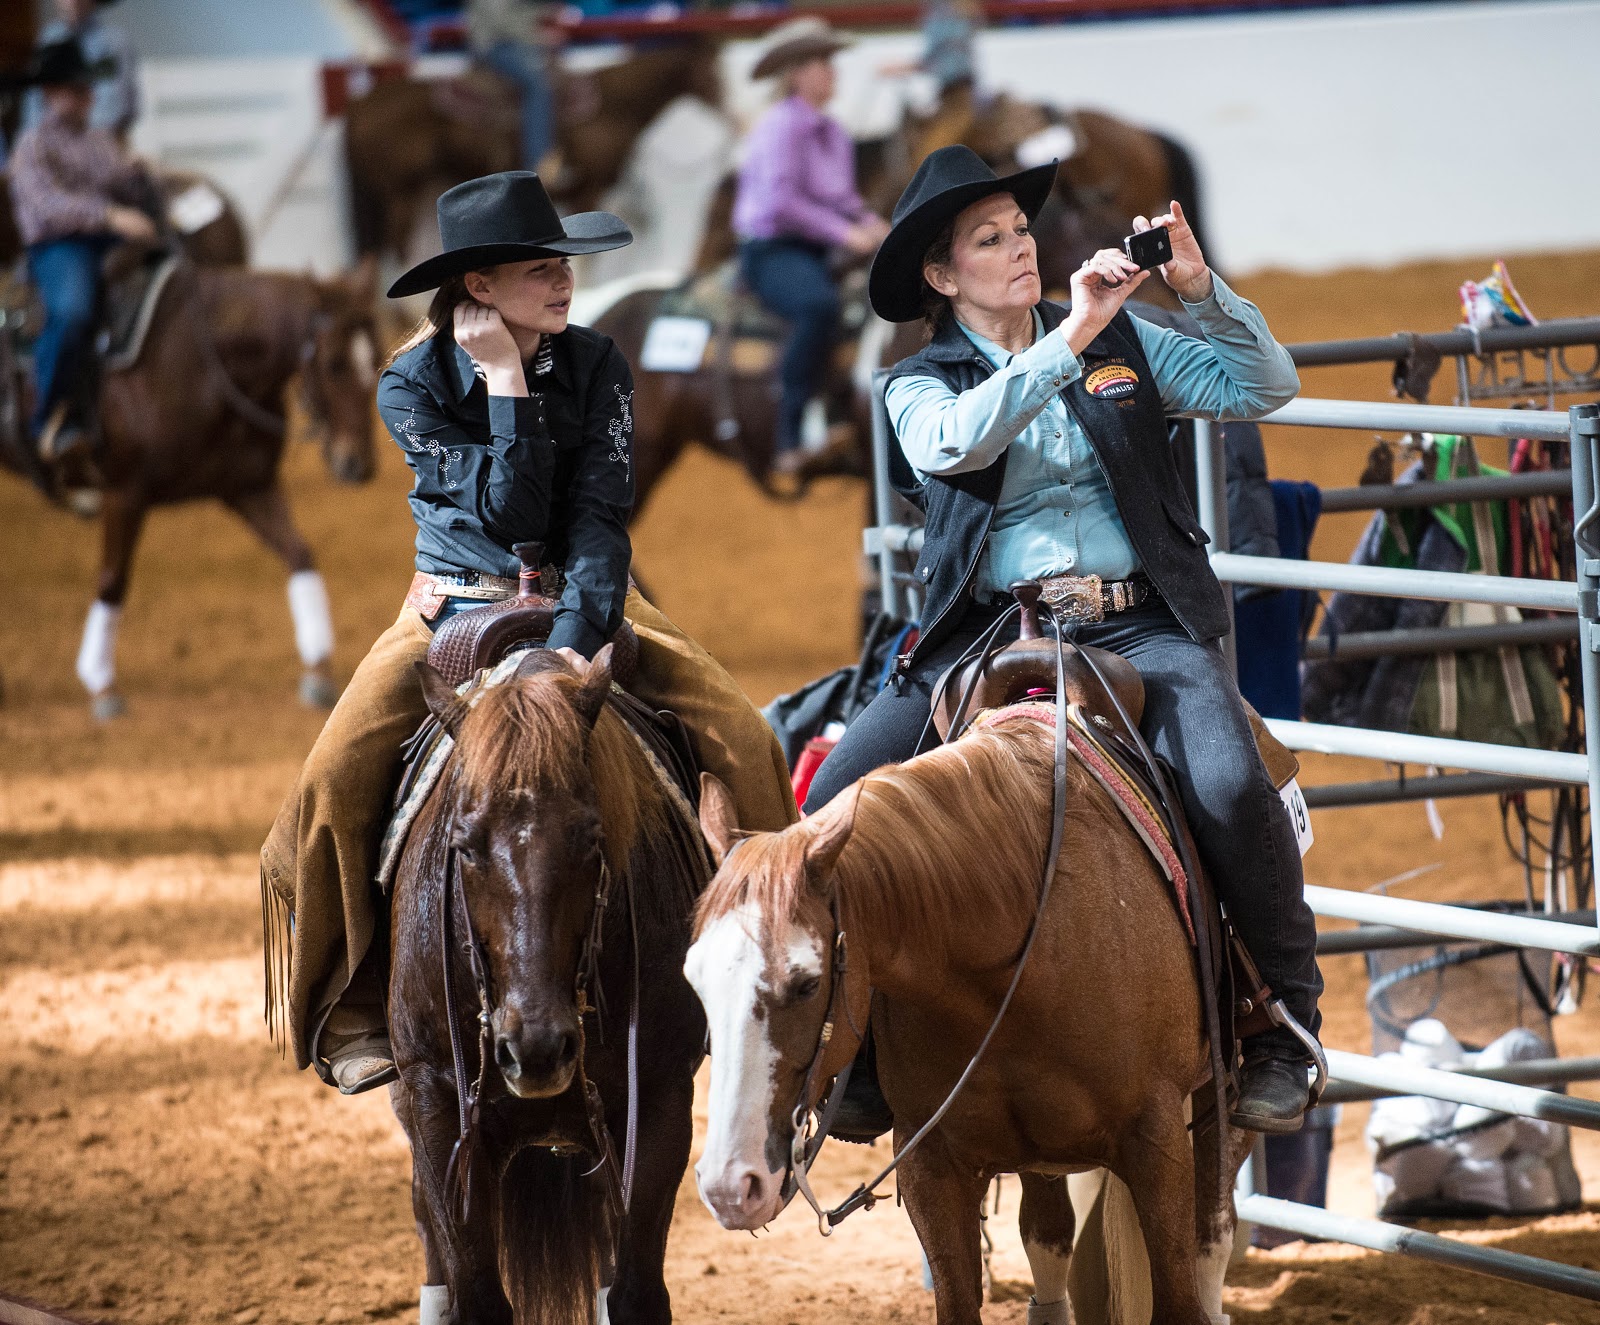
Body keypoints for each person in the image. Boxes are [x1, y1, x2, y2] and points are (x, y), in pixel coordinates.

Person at [810, 146, 1323, 1134]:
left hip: (1138, 620)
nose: (1019, 249)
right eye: (989, 239)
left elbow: (1266, 385)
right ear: (941, 275)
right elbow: (957, 443)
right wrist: (1072, 336)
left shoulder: (1125, 338)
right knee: (836, 805)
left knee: (1223, 779)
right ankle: (864, 1045)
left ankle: (1284, 1026)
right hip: (987, 629)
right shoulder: (916, 383)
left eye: (1020, 230)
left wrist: (1199, 289)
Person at [260, 171, 798, 1095]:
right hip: (448, 606)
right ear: (476, 286)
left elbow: (598, 516)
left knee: (746, 737)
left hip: (590, 597)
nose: (563, 282)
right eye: (539, 268)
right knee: (325, 784)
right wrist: (505, 385)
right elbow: (502, 516)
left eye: (563, 264)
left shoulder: (598, 366)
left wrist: (583, 633)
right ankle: (348, 1001)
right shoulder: (409, 380)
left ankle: (779, 972)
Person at [732, 18, 889, 474]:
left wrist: (873, 223)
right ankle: (790, 434)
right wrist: (845, 233)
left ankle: (842, 415)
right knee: (817, 306)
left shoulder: (832, 131)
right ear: (797, 73)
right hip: (772, 248)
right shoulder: (780, 125)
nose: (832, 72)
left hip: (815, 247)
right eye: (822, 63)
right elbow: (781, 203)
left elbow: (841, 198)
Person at [9, 37, 157, 464]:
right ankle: (50, 417)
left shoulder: (99, 141)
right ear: (51, 94)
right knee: (72, 309)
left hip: (103, 236)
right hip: (58, 246)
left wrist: (140, 176)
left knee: (170, 272)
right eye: (77, 89)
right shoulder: (32, 146)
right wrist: (109, 215)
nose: (88, 96)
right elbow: (47, 207)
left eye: (87, 88)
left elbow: (119, 179)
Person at [24, 0, 141, 144]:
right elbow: (34, 105)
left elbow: (114, 106)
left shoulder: (112, 42)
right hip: (52, 142)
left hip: (103, 141)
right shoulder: (49, 37)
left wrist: (78, 141)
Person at [467, 0, 558, 174]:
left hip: (514, 41)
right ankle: (540, 163)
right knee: (537, 85)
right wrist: (539, 36)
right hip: (496, 44)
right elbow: (500, 22)